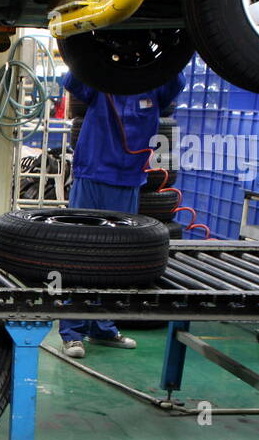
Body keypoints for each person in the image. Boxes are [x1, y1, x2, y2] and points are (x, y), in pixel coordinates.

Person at [59, 70, 184, 358]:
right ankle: (72, 333)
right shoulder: (100, 84)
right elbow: (75, 74)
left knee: (114, 259)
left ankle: (102, 328)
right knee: (81, 254)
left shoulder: (155, 88)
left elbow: (175, 75)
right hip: (91, 176)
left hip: (128, 182)